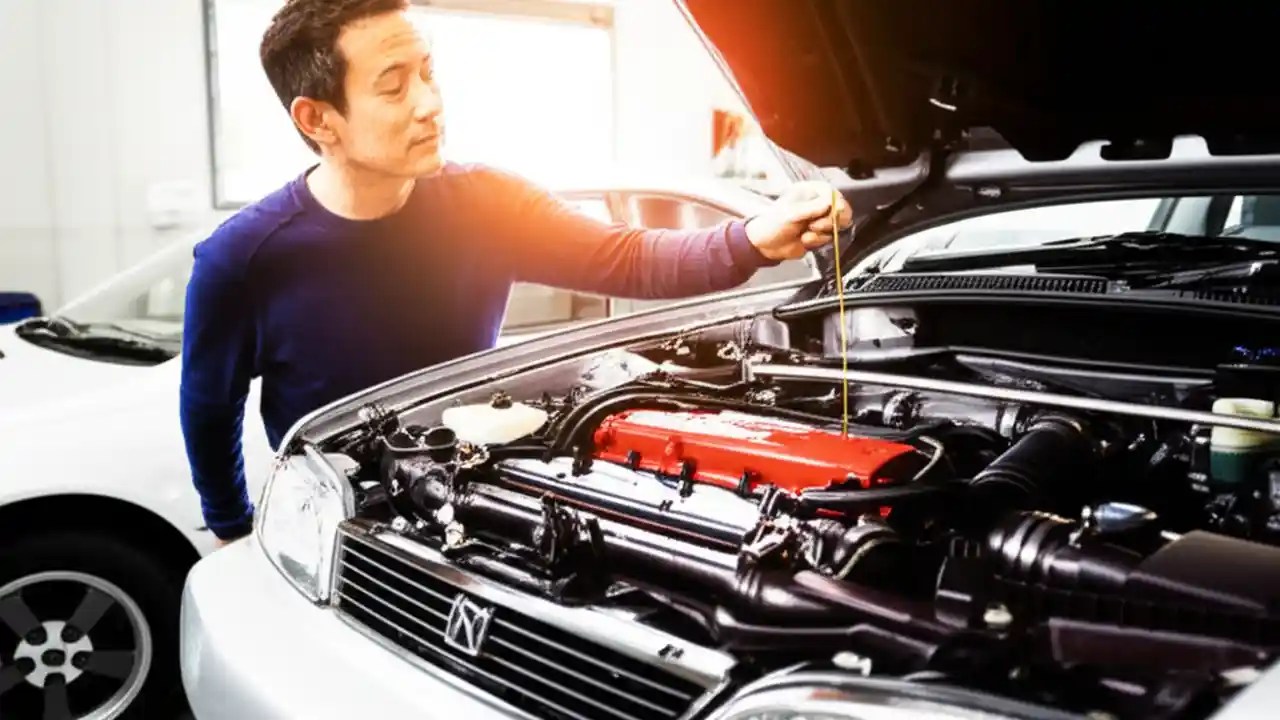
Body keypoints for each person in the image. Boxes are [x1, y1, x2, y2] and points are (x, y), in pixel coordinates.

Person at [180, 0, 853, 546]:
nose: (430, 102)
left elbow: (628, 257)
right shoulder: (242, 259)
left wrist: (753, 239)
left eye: (428, 71)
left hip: (475, 505)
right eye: (394, 85)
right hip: (337, 527)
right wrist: (235, 531)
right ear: (317, 118)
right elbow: (210, 413)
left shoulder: (486, 203)